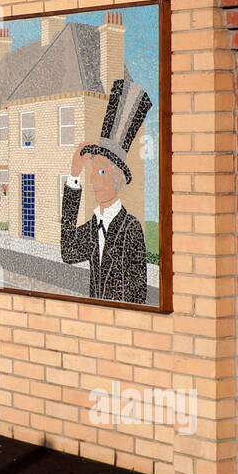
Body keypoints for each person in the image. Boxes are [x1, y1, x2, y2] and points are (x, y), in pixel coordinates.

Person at [59, 77, 152, 304]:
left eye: (102, 172)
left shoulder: (131, 229)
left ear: (118, 178)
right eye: (92, 171)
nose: (93, 180)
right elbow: (68, 251)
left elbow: (139, 293)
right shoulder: (93, 226)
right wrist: (74, 174)